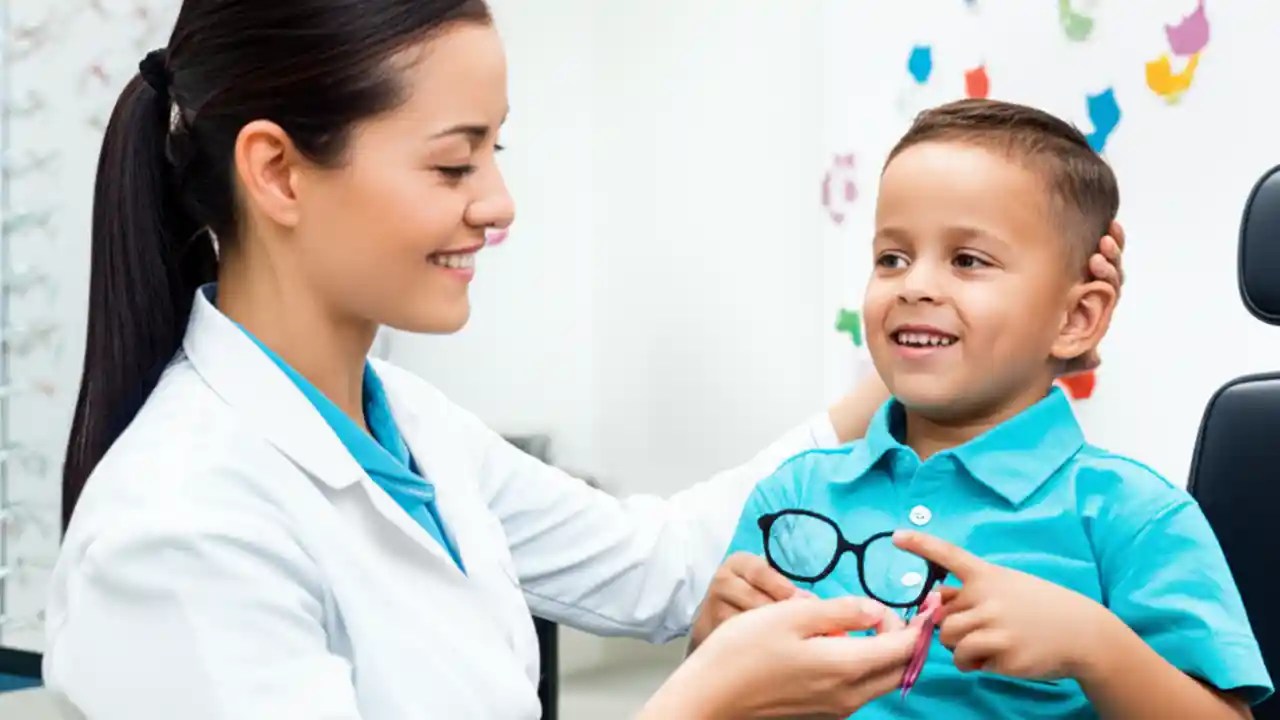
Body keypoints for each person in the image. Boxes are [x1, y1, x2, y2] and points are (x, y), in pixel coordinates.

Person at [42, 0, 1124, 715]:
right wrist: (701, 701)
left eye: (494, 153)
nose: (499, 204)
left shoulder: (405, 430)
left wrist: (922, 340)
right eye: (454, 163)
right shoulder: (178, 529)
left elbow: (653, 562)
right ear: (277, 172)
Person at [695, 99, 1272, 719]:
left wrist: (1094, 646)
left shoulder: (1132, 516)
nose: (914, 284)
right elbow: (713, 694)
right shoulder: (793, 493)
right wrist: (709, 638)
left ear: (1078, 318)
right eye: (892, 258)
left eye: (968, 260)